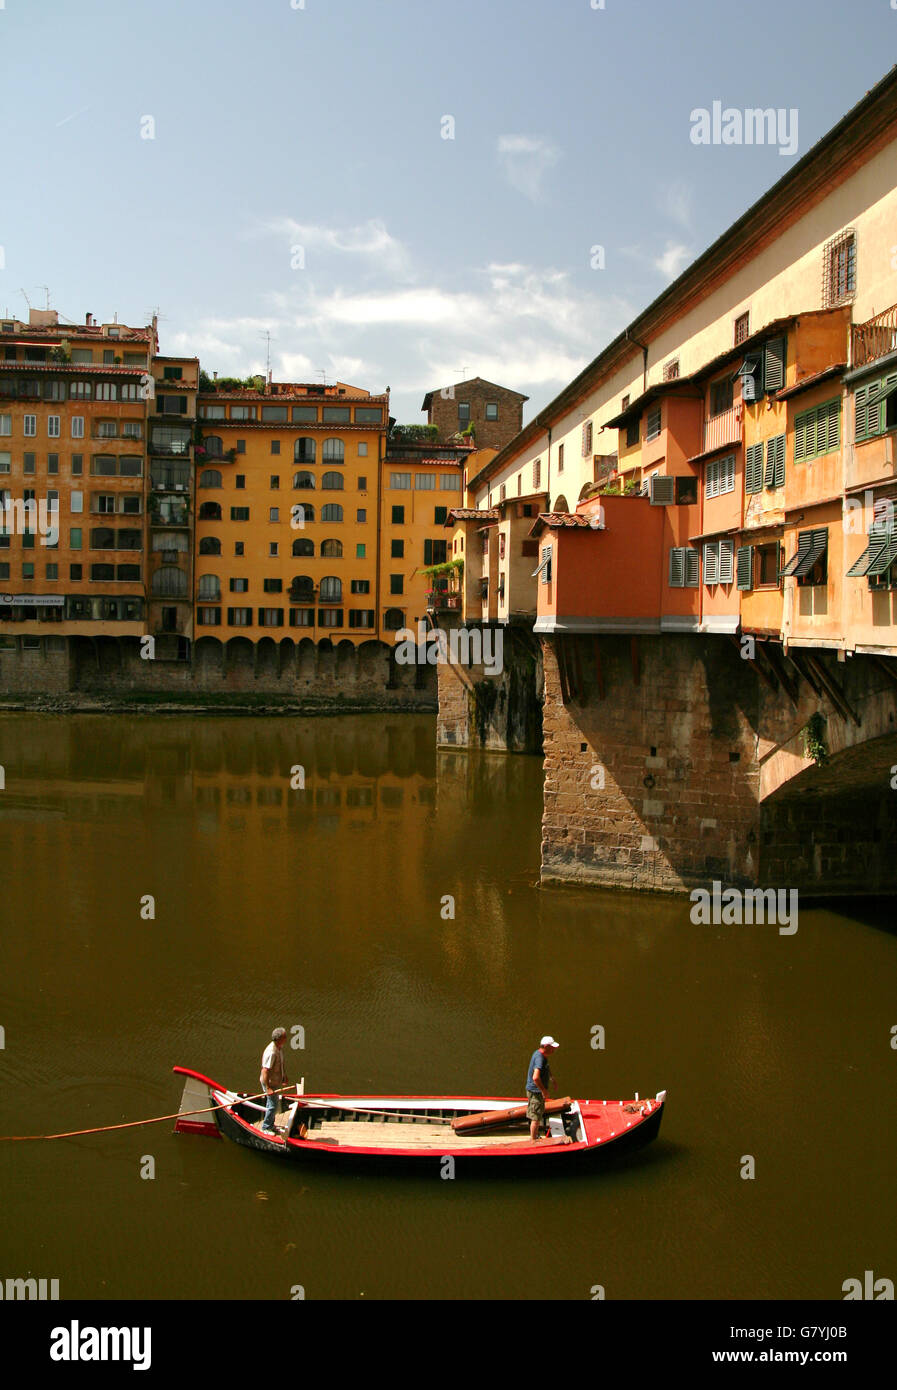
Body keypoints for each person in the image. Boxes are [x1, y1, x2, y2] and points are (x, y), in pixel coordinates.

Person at [526, 1035, 559, 1143]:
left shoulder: (542, 1055)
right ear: (546, 1046)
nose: (554, 1049)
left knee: (537, 1114)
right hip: (536, 1092)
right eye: (552, 1047)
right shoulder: (539, 1058)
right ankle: (533, 1140)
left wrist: (552, 1078)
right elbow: (535, 1077)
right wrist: (544, 1091)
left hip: (536, 1091)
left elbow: (546, 1067)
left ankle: (534, 1136)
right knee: (536, 1117)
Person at [260, 1027, 289, 1133]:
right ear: (279, 1039)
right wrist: (268, 1088)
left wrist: (284, 1076)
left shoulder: (279, 1048)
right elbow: (265, 1071)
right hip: (270, 1083)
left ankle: (271, 1124)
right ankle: (266, 1127)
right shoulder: (271, 1052)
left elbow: (281, 1063)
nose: (286, 1039)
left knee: (273, 1104)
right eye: (284, 1037)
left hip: (275, 1081)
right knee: (273, 1106)